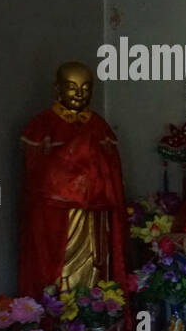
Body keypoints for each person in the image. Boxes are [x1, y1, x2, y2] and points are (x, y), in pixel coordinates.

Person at [19, 62, 128, 295]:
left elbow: (113, 173)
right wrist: (73, 168)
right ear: (57, 88)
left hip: (96, 211)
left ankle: (95, 306)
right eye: (71, 87)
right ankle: (61, 309)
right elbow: (36, 178)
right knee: (60, 264)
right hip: (58, 216)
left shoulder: (99, 126)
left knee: (96, 261)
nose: (79, 94)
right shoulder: (43, 125)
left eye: (86, 88)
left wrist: (96, 177)